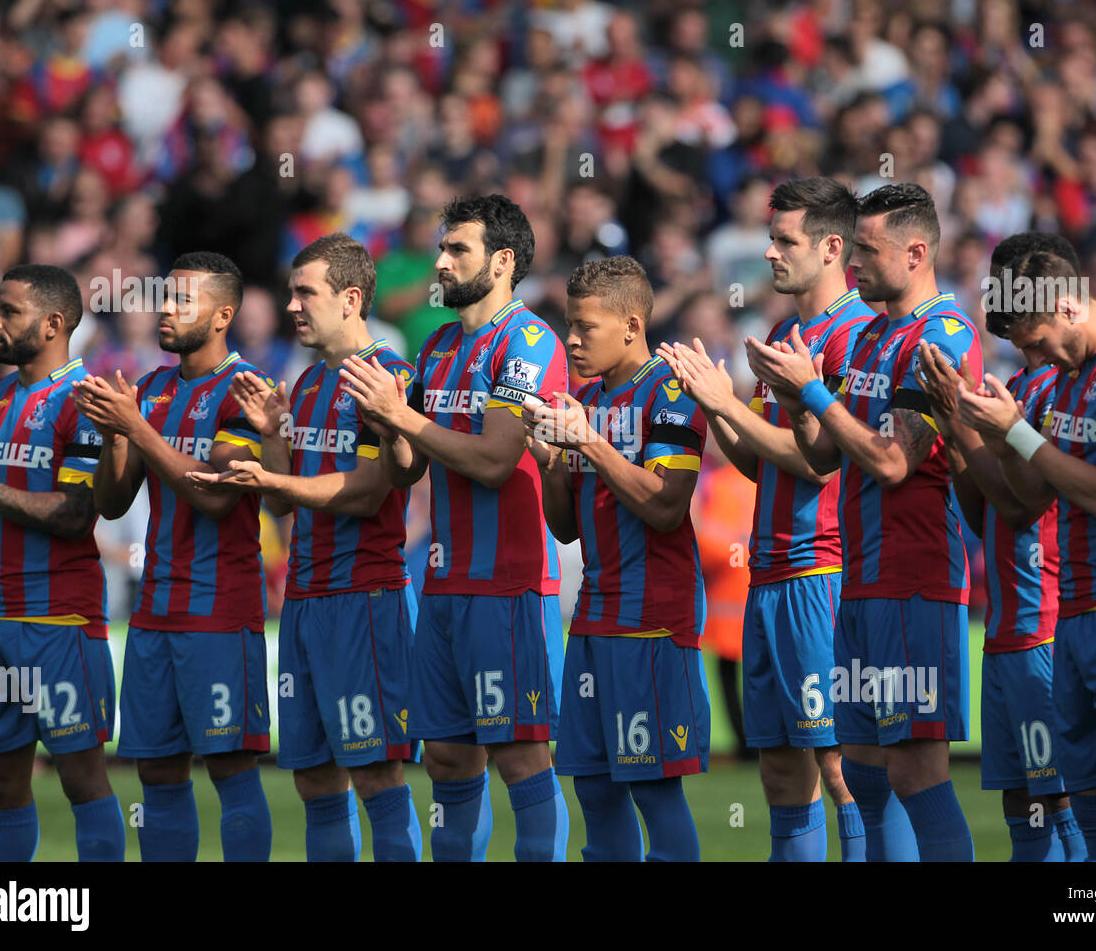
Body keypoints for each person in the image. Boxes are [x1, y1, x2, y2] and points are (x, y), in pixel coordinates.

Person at [746, 183, 979, 861]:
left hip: (914, 580)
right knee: (866, 768)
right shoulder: (873, 337)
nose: (856, 265)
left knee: (914, 771)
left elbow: (892, 463)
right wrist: (796, 399)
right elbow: (822, 452)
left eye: (869, 251)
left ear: (915, 253)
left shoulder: (943, 335)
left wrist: (814, 390)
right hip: (862, 581)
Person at [339, 194, 570, 861]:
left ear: (501, 262)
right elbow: (408, 469)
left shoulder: (528, 342)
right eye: (442, 247)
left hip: (508, 586)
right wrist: (386, 425)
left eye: (456, 249)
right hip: (442, 581)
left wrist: (404, 419)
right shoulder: (438, 344)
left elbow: (497, 460)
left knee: (521, 755)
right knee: (445, 755)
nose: (439, 261)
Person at [187, 233, 422, 861]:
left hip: (365, 599)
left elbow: (370, 492)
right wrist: (271, 438)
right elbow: (282, 504)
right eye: (291, 291)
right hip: (305, 599)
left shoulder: (389, 378)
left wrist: (271, 476)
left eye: (304, 292)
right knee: (315, 778)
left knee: (376, 774)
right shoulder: (310, 382)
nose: (292, 305)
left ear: (350, 299)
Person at [955, 234, 1096, 861]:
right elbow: (1031, 495)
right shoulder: (1068, 377)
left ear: (1066, 307)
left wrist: (1018, 435)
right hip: (1075, 614)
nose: (1034, 356)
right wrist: (993, 437)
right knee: (1092, 803)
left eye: (1034, 341)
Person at [659, 177, 871, 861]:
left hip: (823, 570)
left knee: (838, 763)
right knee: (781, 767)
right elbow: (763, 467)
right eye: (770, 238)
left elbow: (819, 464)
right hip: (770, 574)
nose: (771, 254)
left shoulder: (858, 334)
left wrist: (727, 402)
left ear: (832, 247)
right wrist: (717, 406)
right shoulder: (784, 333)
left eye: (785, 241)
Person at [72, 252, 273, 861]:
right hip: (155, 609)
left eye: (183, 301)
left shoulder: (245, 391)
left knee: (231, 769)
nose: (166, 309)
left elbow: (216, 496)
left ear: (222, 316)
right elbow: (110, 504)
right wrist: (114, 439)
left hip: (219, 611)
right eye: (165, 297)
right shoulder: (153, 388)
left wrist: (138, 428)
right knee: (158, 774)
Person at [526, 255, 710, 861]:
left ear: (632, 326)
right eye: (568, 325)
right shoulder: (583, 398)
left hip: (654, 621)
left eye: (586, 327)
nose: (571, 340)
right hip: (594, 621)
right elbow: (566, 528)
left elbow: (665, 507)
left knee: (653, 792)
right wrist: (553, 462)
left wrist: (589, 441)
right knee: (596, 791)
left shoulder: (672, 390)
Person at [0, 264, 123, 861]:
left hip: (60, 624)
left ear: (51, 324)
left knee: (80, 779)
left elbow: (76, 515)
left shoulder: (87, 401)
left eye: (8, 311)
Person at [914, 232, 1087, 861]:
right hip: (1008, 632)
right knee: (1024, 806)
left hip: (1047, 624)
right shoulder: (1020, 386)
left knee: (1061, 802)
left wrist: (964, 423)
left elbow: (1022, 506)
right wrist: (958, 440)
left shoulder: (1071, 392)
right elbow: (984, 513)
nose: (1007, 322)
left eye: (1011, 297)